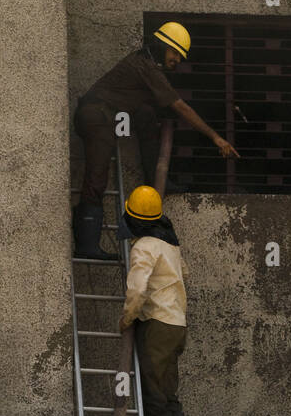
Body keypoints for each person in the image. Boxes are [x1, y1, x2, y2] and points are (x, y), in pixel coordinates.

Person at [71, 21, 239, 260]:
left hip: (106, 115)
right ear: (162, 46)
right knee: (97, 177)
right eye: (175, 53)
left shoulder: (146, 63)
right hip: (96, 117)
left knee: (146, 113)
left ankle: (157, 177)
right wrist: (216, 138)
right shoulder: (146, 67)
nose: (178, 60)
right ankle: (87, 245)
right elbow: (181, 106)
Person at [117, 185, 190, 416]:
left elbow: (137, 289)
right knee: (169, 394)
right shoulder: (169, 245)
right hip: (176, 323)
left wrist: (127, 318)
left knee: (154, 395)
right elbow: (185, 273)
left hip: (157, 325)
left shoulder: (143, 247)